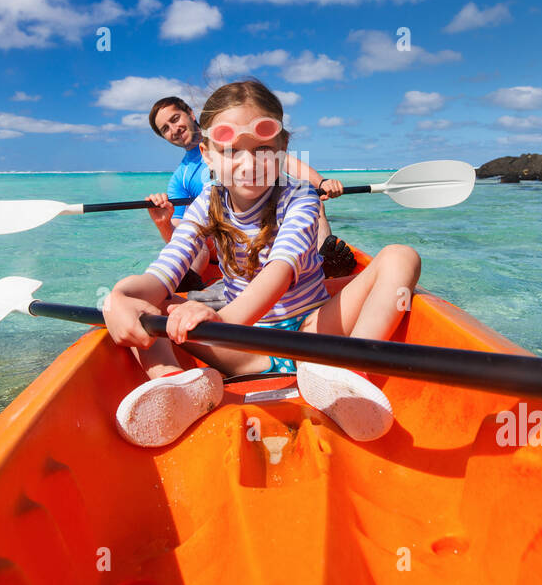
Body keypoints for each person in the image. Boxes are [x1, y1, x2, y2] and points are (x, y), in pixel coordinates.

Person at [103, 79, 421, 448]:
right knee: (150, 305)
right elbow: (165, 269)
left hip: (312, 335)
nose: (248, 163)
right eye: (231, 150)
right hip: (245, 351)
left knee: (401, 256)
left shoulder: (300, 198)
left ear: (283, 147)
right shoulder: (206, 202)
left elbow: (281, 272)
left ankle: (353, 373)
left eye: (263, 149)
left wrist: (219, 322)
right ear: (206, 154)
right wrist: (119, 297)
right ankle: (173, 384)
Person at [145, 95, 356, 281]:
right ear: (207, 155)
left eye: (175, 119)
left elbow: (285, 160)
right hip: (227, 237)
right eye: (165, 128)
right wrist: (163, 224)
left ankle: (325, 262)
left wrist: (320, 184)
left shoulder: (237, 133)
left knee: (311, 199)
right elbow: (181, 230)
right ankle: (189, 280)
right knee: (200, 225)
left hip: (272, 219)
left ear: (190, 114)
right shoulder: (179, 179)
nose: (174, 129)